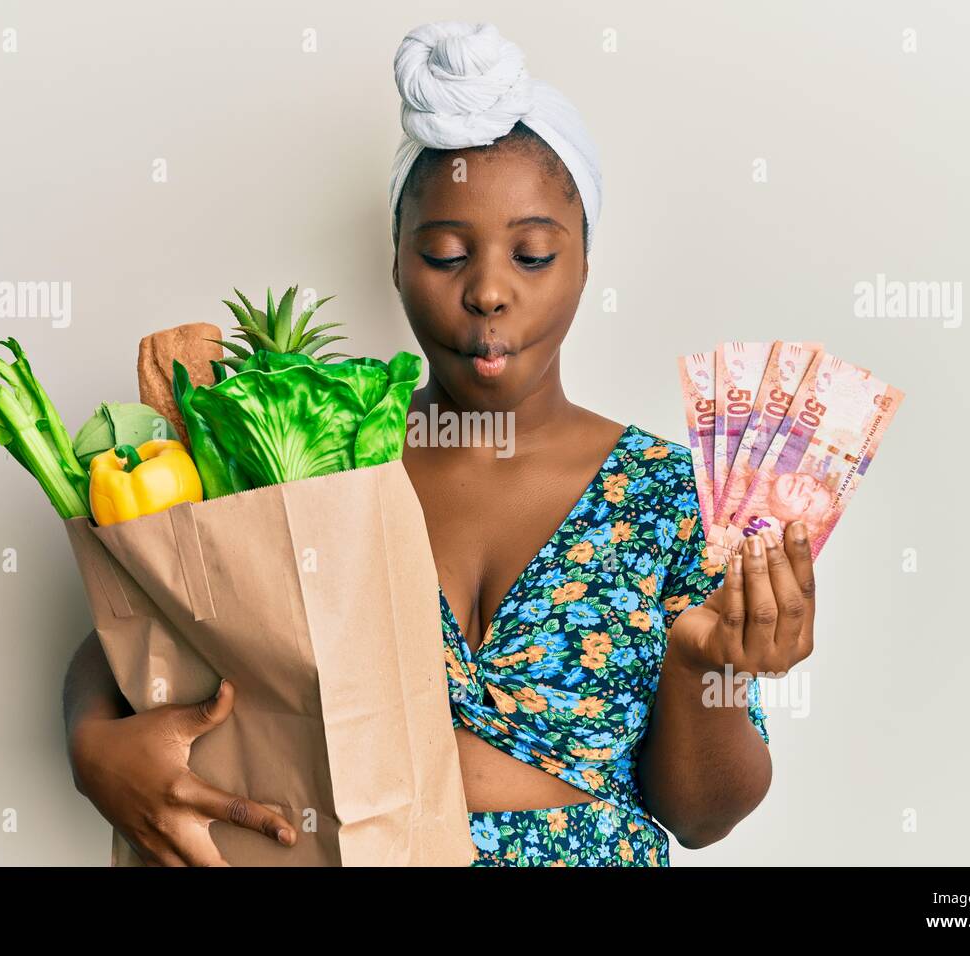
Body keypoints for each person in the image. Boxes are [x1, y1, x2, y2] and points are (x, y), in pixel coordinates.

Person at [63, 21, 816, 867]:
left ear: (585, 265)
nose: (489, 290)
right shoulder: (330, 458)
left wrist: (702, 670)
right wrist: (94, 748)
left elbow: (702, 819)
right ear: (395, 261)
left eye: (533, 255)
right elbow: (142, 623)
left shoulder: (667, 494)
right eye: (445, 253)